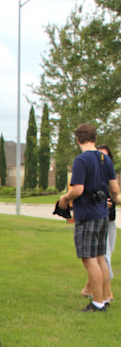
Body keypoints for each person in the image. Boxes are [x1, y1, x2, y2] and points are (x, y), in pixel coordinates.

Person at [59, 123, 121, 312]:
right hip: (102, 214)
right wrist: (115, 199)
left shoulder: (81, 160)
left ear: (78, 139)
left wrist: (64, 198)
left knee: (89, 259)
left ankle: (97, 303)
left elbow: (78, 189)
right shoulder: (105, 159)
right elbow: (115, 188)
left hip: (87, 214)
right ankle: (105, 297)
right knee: (100, 257)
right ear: (94, 138)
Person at [81, 144, 116, 303]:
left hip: (109, 218)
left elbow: (115, 193)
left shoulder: (109, 175)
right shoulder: (91, 174)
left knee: (104, 255)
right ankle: (106, 294)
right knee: (102, 256)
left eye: (105, 156)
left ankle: (90, 289)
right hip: (97, 218)